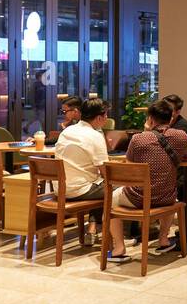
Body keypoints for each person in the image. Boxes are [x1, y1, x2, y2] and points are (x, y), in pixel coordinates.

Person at [55, 98, 132, 263]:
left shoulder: (67, 131)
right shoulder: (94, 136)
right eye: (106, 115)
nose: (107, 118)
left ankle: (95, 229)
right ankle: (119, 242)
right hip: (80, 190)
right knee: (122, 188)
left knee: (101, 184)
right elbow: (106, 172)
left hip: (60, 188)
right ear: (99, 117)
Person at [119, 98, 187, 254]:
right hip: (167, 198)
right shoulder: (181, 135)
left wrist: (146, 132)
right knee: (169, 191)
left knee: (109, 202)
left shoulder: (138, 138)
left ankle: (118, 248)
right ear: (171, 118)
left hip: (138, 198)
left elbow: (130, 166)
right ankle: (163, 239)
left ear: (150, 119)